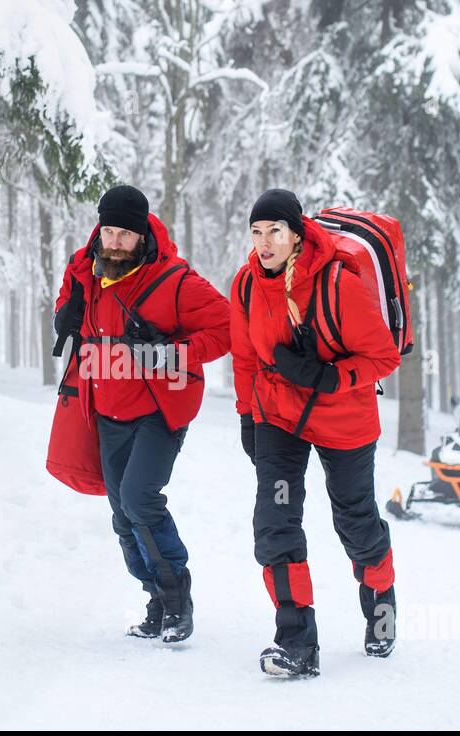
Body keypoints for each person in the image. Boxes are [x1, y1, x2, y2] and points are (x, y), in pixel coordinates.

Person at [229, 188, 402, 677]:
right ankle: (297, 643)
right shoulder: (245, 285)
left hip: (343, 419)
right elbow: (244, 359)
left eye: (275, 232)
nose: (264, 243)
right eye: (257, 233)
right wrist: (248, 415)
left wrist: (329, 377)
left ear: (296, 233)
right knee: (275, 521)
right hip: (279, 418)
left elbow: (383, 356)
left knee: (356, 524)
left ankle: (382, 611)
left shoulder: (337, 285)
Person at [53, 184, 230, 642]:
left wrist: (171, 351)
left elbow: (226, 326)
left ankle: (178, 598)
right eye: (107, 231)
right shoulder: (87, 270)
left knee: (138, 499)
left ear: (142, 238)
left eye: (123, 235)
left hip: (159, 410)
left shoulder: (173, 280)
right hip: (107, 410)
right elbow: (68, 305)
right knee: (120, 514)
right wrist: (66, 311)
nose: (113, 242)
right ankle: (156, 599)